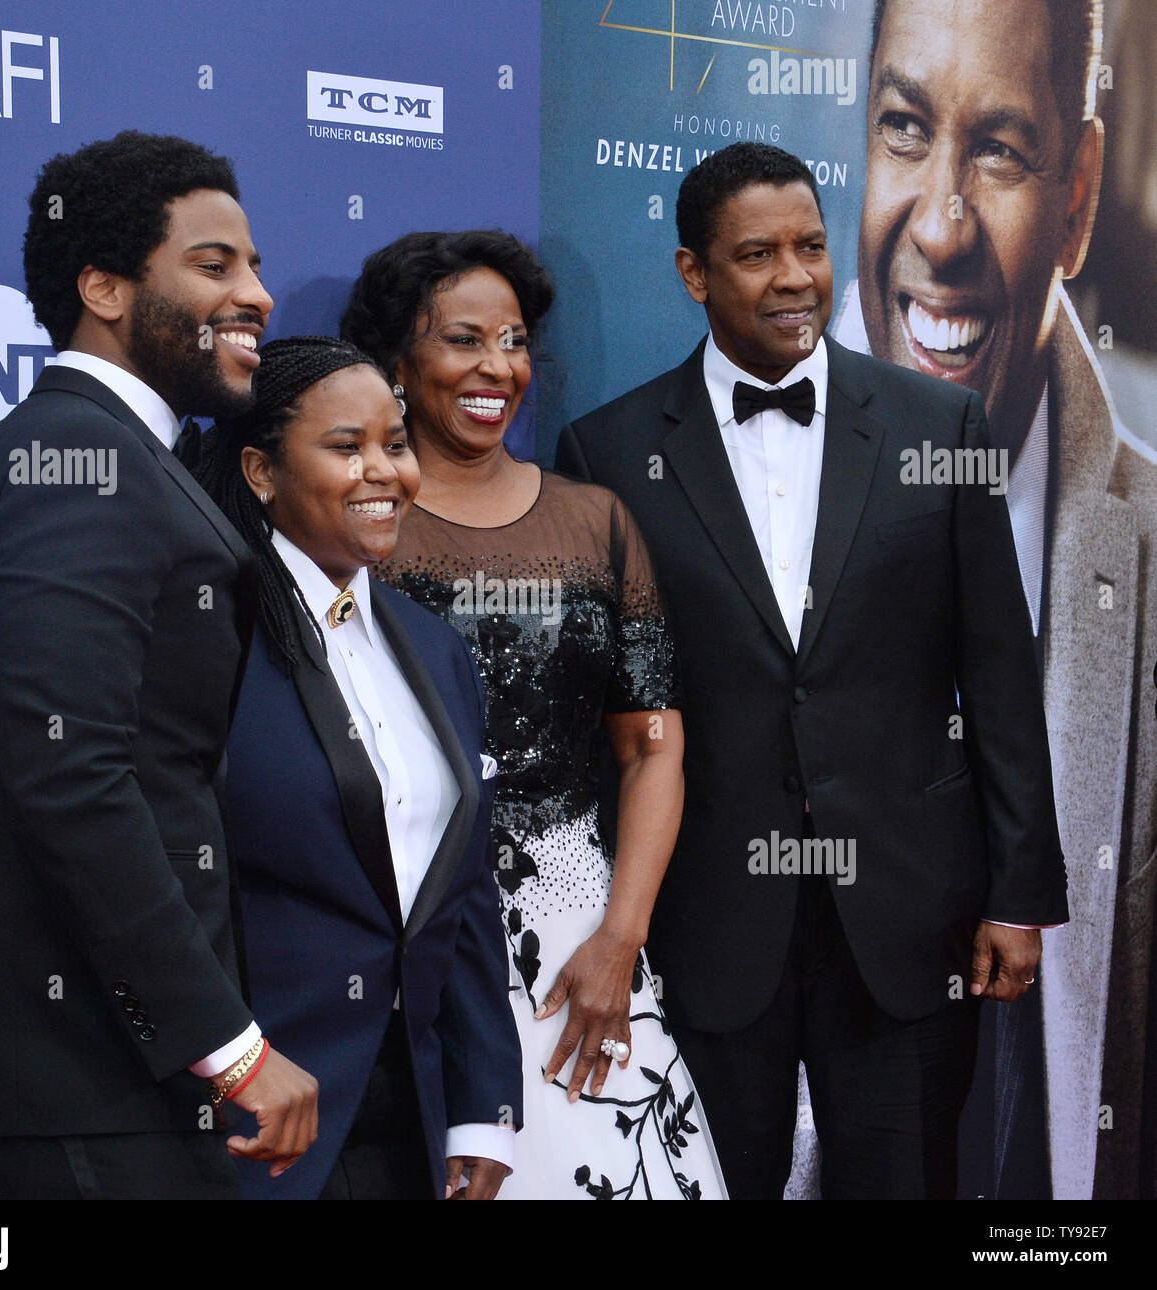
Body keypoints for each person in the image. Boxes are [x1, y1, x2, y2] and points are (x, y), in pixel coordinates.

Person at [554, 141, 1068, 1199]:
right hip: (706, 921)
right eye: (756, 254)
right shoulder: (606, 452)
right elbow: (603, 721)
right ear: (694, 273)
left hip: (904, 908)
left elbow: (1000, 673)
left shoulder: (942, 423)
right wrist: (608, 921)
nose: (795, 277)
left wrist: (1019, 892)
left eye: (810, 247)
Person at [0, 132, 317, 1200]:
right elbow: (71, 773)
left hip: (85, 1083)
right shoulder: (85, 465)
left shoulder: (92, 457)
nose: (256, 293)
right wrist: (228, 1043)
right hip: (71, 1087)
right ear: (105, 286)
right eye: (215, 265)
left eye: (254, 265)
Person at [837, 0, 1157, 1200]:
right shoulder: (708, 489)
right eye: (905, 129)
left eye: (1000, 151)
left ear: (1077, 197)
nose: (940, 224)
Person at [343, 231, 726, 1199]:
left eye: (514, 342)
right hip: (407, 922)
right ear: (398, 363)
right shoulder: (351, 528)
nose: (497, 368)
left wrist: (618, 939)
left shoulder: (596, 521)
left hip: (576, 938)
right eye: (463, 340)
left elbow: (652, 749)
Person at [194, 336, 522, 1200]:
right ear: (262, 472)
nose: (386, 472)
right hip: (261, 1122)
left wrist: (482, 1100)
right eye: (347, 447)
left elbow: (467, 888)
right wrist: (232, 1067)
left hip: (409, 1114)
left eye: (396, 443)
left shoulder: (434, 645)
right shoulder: (207, 638)